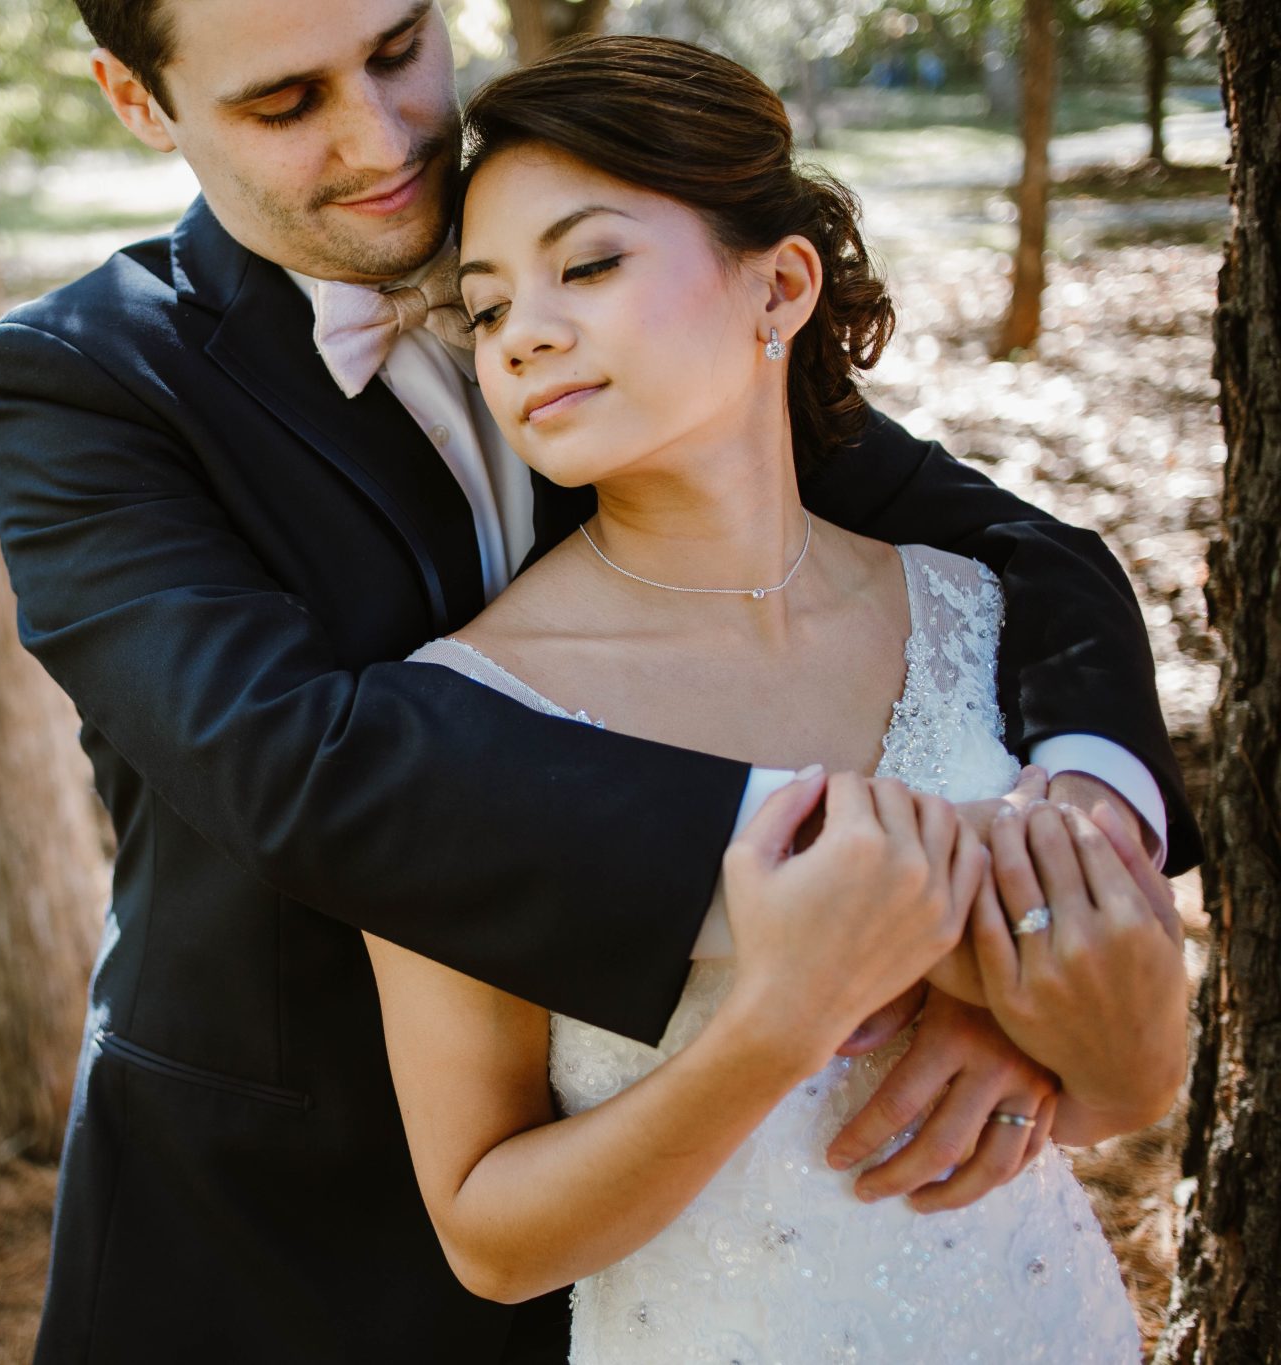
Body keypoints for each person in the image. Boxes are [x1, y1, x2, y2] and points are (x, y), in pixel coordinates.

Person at [0, 2, 1195, 1359]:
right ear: (141, 104)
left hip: (718, 1230)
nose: (381, 135)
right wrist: (879, 898)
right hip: (288, 1228)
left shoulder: (630, 273)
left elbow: (1025, 553)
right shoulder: (85, 382)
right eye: (284, 104)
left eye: (395, 51)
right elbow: (301, 765)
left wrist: (1069, 864)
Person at [367, 36, 1190, 1361]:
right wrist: (774, 1024)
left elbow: (1123, 1082)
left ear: (781, 284)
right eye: (488, 306)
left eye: (586, 265)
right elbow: (489, 1234)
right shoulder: (462, 714)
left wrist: (1083, 1045)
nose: (528, 335)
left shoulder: (982, 614)